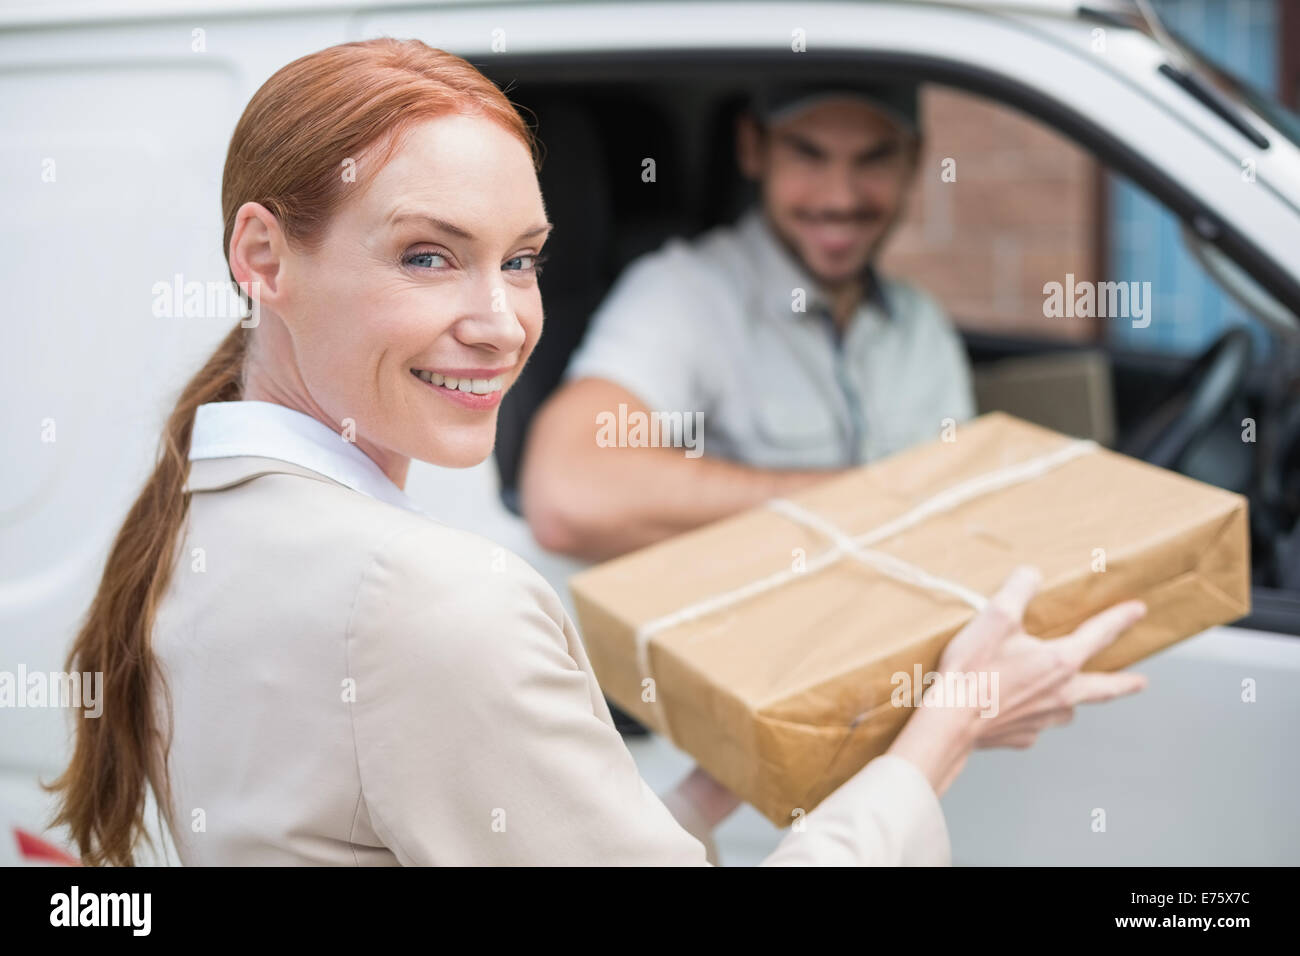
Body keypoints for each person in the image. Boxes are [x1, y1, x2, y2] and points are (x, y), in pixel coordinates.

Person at [45, 41, 1148, 867]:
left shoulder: (204, 522)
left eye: (520, 260)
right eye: (428, 256)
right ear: (263, 257)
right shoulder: (424, 599)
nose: (500, 322)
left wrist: (697, 798)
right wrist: (945, 731)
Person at [521, 83, 976, 562]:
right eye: (808, 154)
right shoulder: (683, 294)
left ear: (914, 160)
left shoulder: (922, 325)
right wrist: (855, 500)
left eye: (874, 159)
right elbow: (567, 492)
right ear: (753, 148)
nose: (841, 197)